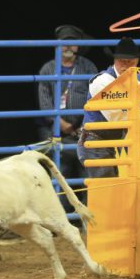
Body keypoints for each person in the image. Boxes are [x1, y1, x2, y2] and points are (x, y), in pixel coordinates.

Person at [78, 37, 140, 178]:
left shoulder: (134, 81)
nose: (125, 66)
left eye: (130, 62)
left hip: (106, 144)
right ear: (115, 60)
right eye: (122, 61)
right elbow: (117, 118)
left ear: (137, 62)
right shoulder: (103, 82)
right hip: (95, 143)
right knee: (107, 189)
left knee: (108, 189)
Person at [37, 24, 98, 184]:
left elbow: (96, 97)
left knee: (87, 177)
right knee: (60, 177)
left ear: (78, 46)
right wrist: (60, 123)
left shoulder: (88, 66)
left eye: (73, 42)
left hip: (84, 131)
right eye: (64, 42)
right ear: (57, 45)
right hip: (57, 132)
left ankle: (88, 208)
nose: (69, 46)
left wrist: (85, 123)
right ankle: (61, 209)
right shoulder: (48, 69)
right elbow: (44, 102)